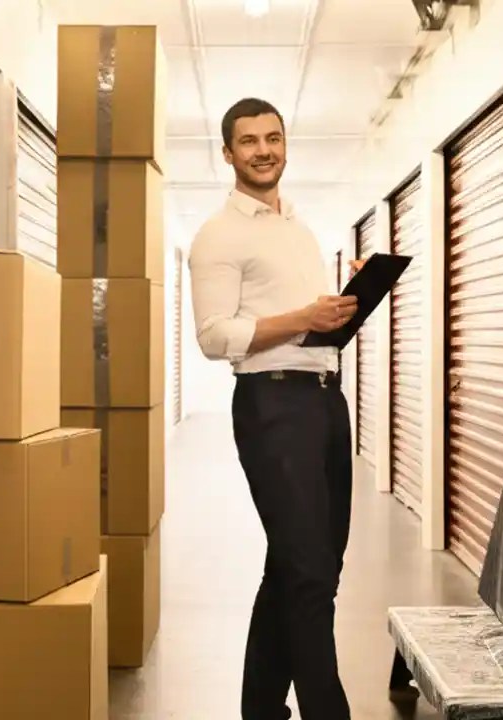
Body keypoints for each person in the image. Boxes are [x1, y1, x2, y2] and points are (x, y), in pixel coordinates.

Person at [188, 97, 363, 720]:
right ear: (228, 153)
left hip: (323, 401)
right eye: (249, 140)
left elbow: (305, 323)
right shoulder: (218, 235)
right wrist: (301, 318)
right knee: (310, 574)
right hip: (272, 406)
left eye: (273, 137)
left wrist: (342, 305)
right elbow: (213, 336)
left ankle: (260, 707)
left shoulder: (298, 227)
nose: (264, 149)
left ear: (286, 143)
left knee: (307, 563)